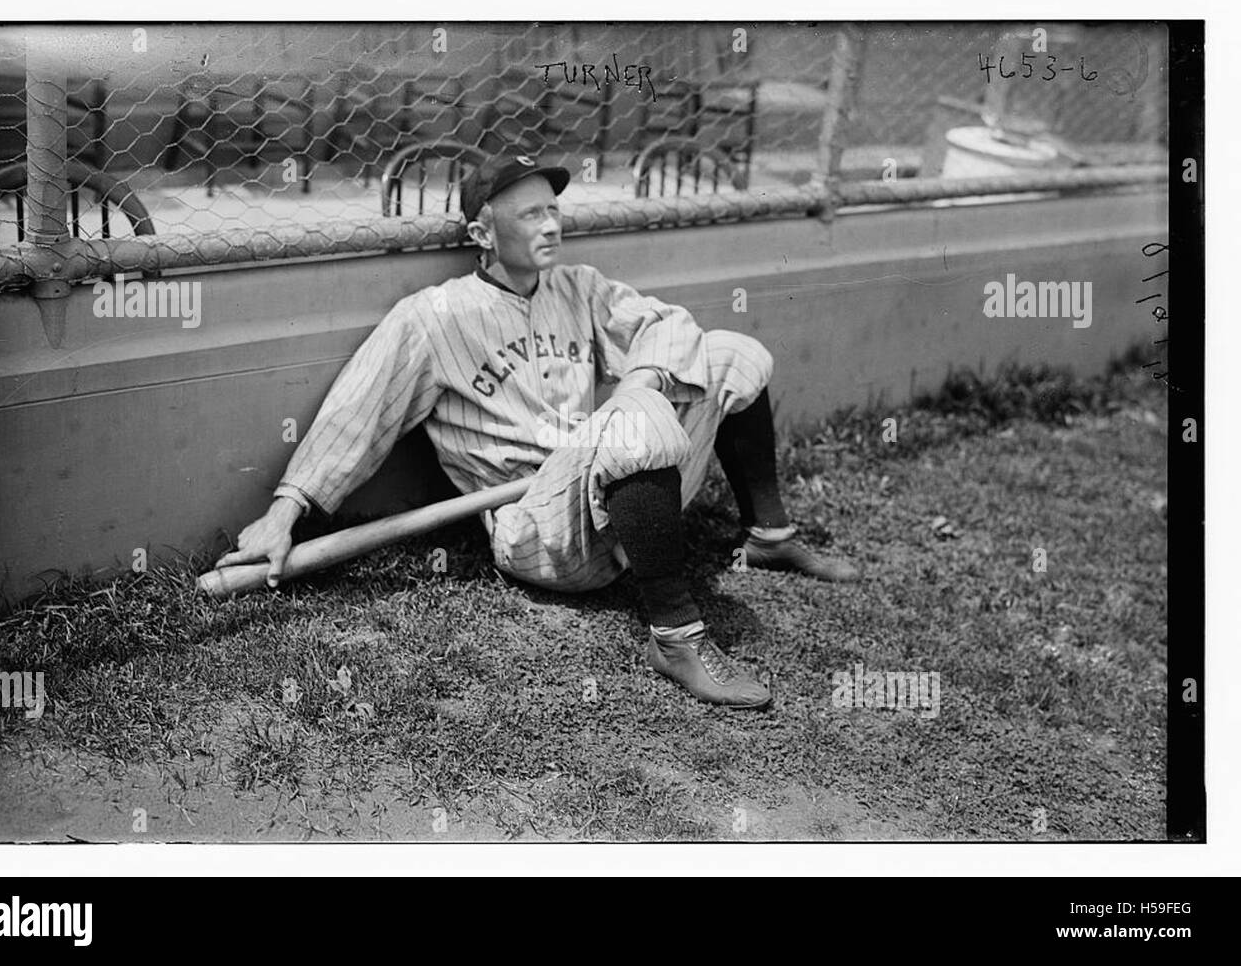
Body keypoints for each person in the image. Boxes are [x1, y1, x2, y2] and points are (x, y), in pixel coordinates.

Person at [216, 151, 859, 709]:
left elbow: (669, 325)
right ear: (482, 233)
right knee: (632, 419)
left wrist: (645, 380)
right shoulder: (432, 317)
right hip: (536, 530)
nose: (551, 224)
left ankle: (768, 536)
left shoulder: (578, 287)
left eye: (553, 209)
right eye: (530, 215)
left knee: (728, 353)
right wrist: (283, 514)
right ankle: (678, 639)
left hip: (605, 485)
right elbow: (356, 415)